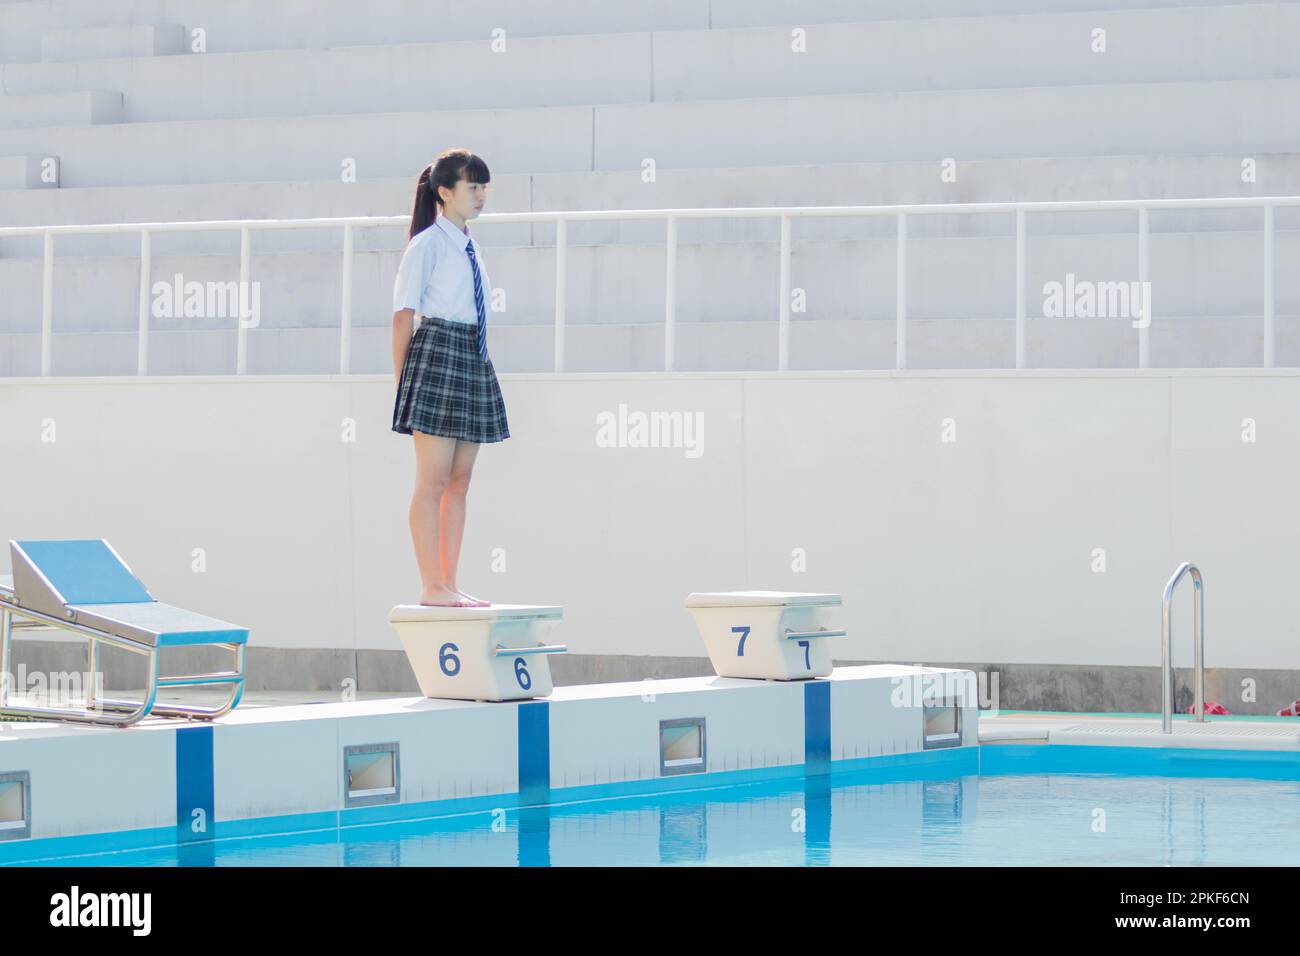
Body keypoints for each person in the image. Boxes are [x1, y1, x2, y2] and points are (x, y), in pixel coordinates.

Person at [391, 148, 509, 607]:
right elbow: (403, 317)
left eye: (483, 187)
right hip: (437, 353)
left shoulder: (469, 244)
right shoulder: (427, 245)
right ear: (445, 192)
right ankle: (430, 585)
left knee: (460, 481)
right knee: (433, 481)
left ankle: (449, 583)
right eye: (471, 187)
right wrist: (406, 384)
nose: (480, 196)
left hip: (471, 354)